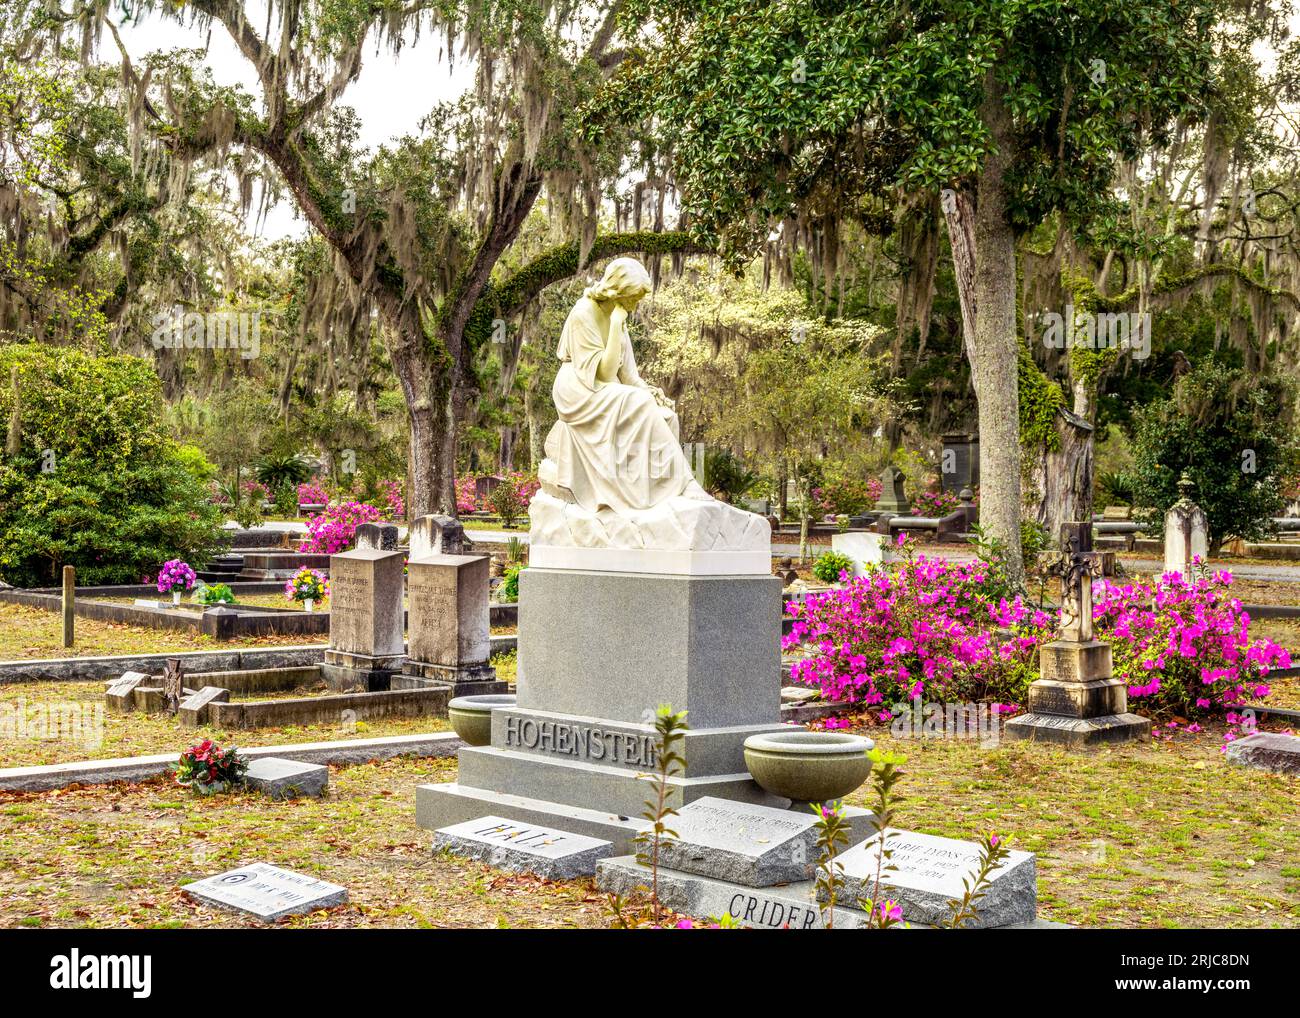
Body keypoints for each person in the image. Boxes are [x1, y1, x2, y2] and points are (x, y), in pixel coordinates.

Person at [539, 257, 709, 514]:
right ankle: (685, 483)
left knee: (666, 415)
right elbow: (606, 375)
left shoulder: (620, 316)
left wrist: (650, 391)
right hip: (579, 390)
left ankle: (662, 493)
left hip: (606, 388)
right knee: (638, 402)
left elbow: (629, 376)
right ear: (618, 290)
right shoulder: (584, 313)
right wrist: (617, 324)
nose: (636, 304)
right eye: (633, 297)